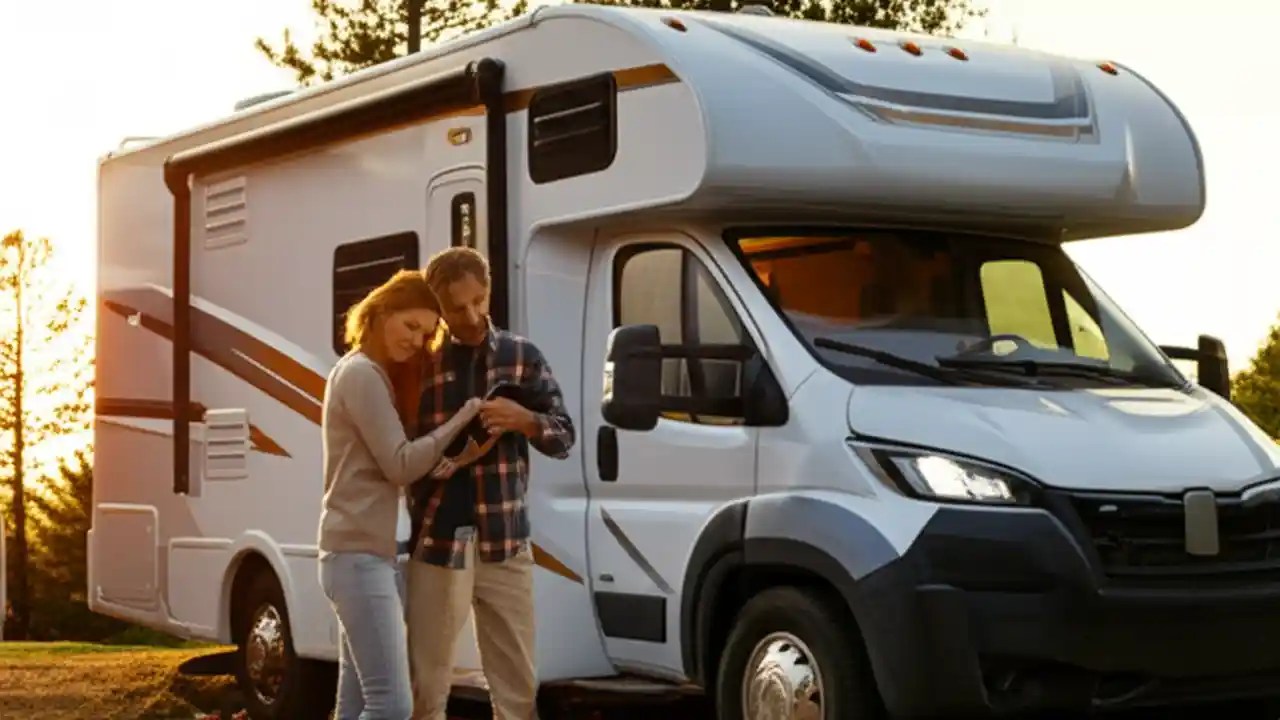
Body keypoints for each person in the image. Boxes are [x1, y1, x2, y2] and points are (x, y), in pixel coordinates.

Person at [405, 247, 575, 720]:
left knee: (518, 691)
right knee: (427, 688)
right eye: (457, 307)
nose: (473, 314)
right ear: (437, 305)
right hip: (438, 540)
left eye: (480, 299)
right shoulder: (419, 364)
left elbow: (565, 436)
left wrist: (525, 420)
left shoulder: (520, 355)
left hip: (506, 542)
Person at [318, 269, 484, 720]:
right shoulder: (360, 375)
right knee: (391, 705)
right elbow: (400, 464)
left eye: (426, 333)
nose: (417, 339)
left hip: (376, 558)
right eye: (411, 325)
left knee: (354, 706)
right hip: (358, 559)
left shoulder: (372, 375)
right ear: (381, 312)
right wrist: (461, 420)